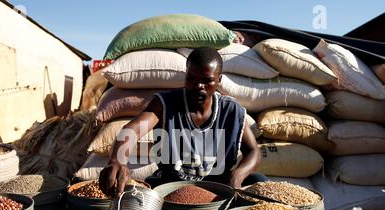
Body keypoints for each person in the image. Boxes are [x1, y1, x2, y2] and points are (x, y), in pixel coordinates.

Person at [99, 47, 266, 197]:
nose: (198, 86)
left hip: (219, 190)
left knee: (259, 181)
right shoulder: (165, 104)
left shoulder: (231, 111)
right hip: (170, 188)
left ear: (219, 80)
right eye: (192, 78)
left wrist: (238, 175)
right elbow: (132, 130)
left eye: (207, 81)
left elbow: (253, 151)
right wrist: (117, 161)